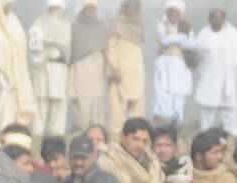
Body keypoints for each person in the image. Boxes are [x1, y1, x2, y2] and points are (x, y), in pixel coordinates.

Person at [0, 0, 34, 131]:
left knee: (15, 101)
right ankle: (1, 130)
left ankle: (14, 130)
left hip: (17, 69)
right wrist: (1, 69)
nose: (9, 7)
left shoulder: (14, 20)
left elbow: (21, 41)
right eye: (6, 4)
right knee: (2, 101)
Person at [193, 9, 237, 135]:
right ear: (210, 19)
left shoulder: (233, 34)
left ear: (224, 19)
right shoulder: (203, 35)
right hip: (209, 80)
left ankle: (232, 141)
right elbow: (197, 56)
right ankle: (206, 138)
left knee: (230, 114)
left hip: (228, 81)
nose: (217, 20)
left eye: (220, 18)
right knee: (207, 113)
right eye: (214, 18)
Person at [31, 1, 71, 137]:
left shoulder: (66, 24)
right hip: (44, 66)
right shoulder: (39, 23)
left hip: (60, 68)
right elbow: (34, 45)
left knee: (59, 102)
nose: (54, 9)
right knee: (41, 100)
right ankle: (37, 131)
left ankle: (56, 132)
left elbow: (69, 46)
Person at [104, 0, 145, 135]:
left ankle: (136, 137)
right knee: (117, 111)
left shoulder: (139, 26)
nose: (132, 10)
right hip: (120, 73)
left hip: (136, 73)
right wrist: (115, 68)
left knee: (137, 110)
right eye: (129, 6)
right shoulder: (116, 24)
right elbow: (110, 48)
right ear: (124, 8)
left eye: (135, 7)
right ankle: (116, 139)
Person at [151, 1, 192, 126]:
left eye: (176, 11)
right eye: (171, 11)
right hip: (164, 63)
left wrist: (175, 37)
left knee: (179, 94)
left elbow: (191, 43)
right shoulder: (161, 24)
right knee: (161, 92)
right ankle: (158, 125)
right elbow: (164, 40)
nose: (173, 14)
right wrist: (180, 38)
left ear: (180, 13)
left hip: (180, 64)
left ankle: (177, 125)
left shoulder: (185, 26)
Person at [69, 0, 107, 129]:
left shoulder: (101, 26)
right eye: (88, 8)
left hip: (97, 64)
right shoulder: (76, 26)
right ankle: (81, 126)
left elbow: (105, 48)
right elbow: (72, 47)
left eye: (93, 9)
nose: (90, 11)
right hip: (80, 65)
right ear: (83, 9)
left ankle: (97, 128)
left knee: (96, 99)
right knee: (81, 98)